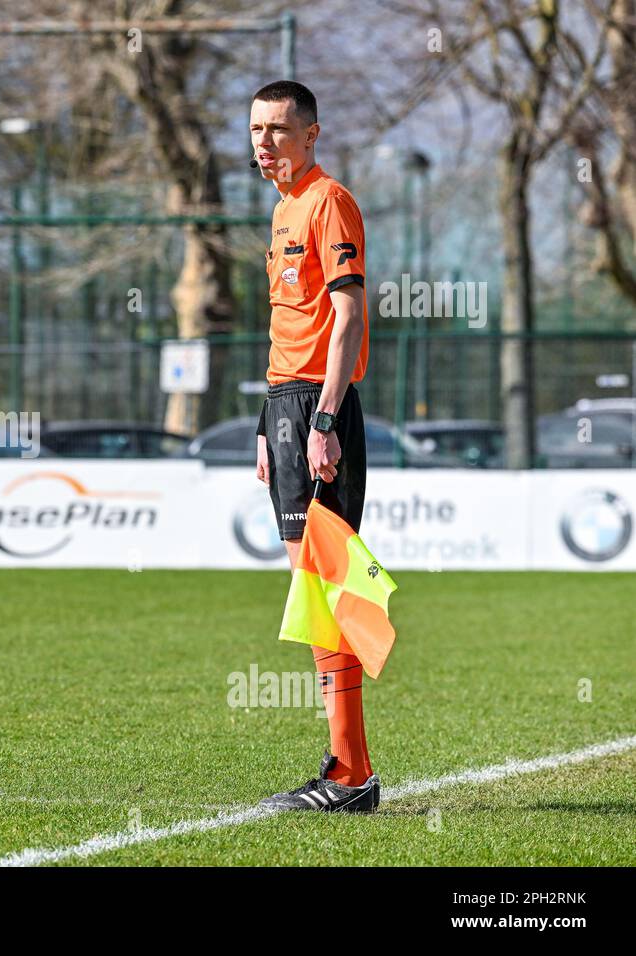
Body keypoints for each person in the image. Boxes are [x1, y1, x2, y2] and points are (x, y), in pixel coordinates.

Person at [250, 80, 379, 813]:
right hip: (286, 406)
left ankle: (351, 774)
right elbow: (289, 325)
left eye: (279, 129)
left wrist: (323, 420)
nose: (265, 143)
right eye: (256, 129)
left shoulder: (329, 200)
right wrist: (268, 425)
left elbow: (349, 314)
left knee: (328, 590)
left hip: (315, 409)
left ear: (311, 135)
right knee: (318, 590)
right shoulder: (281, 210)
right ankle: (348, 767)